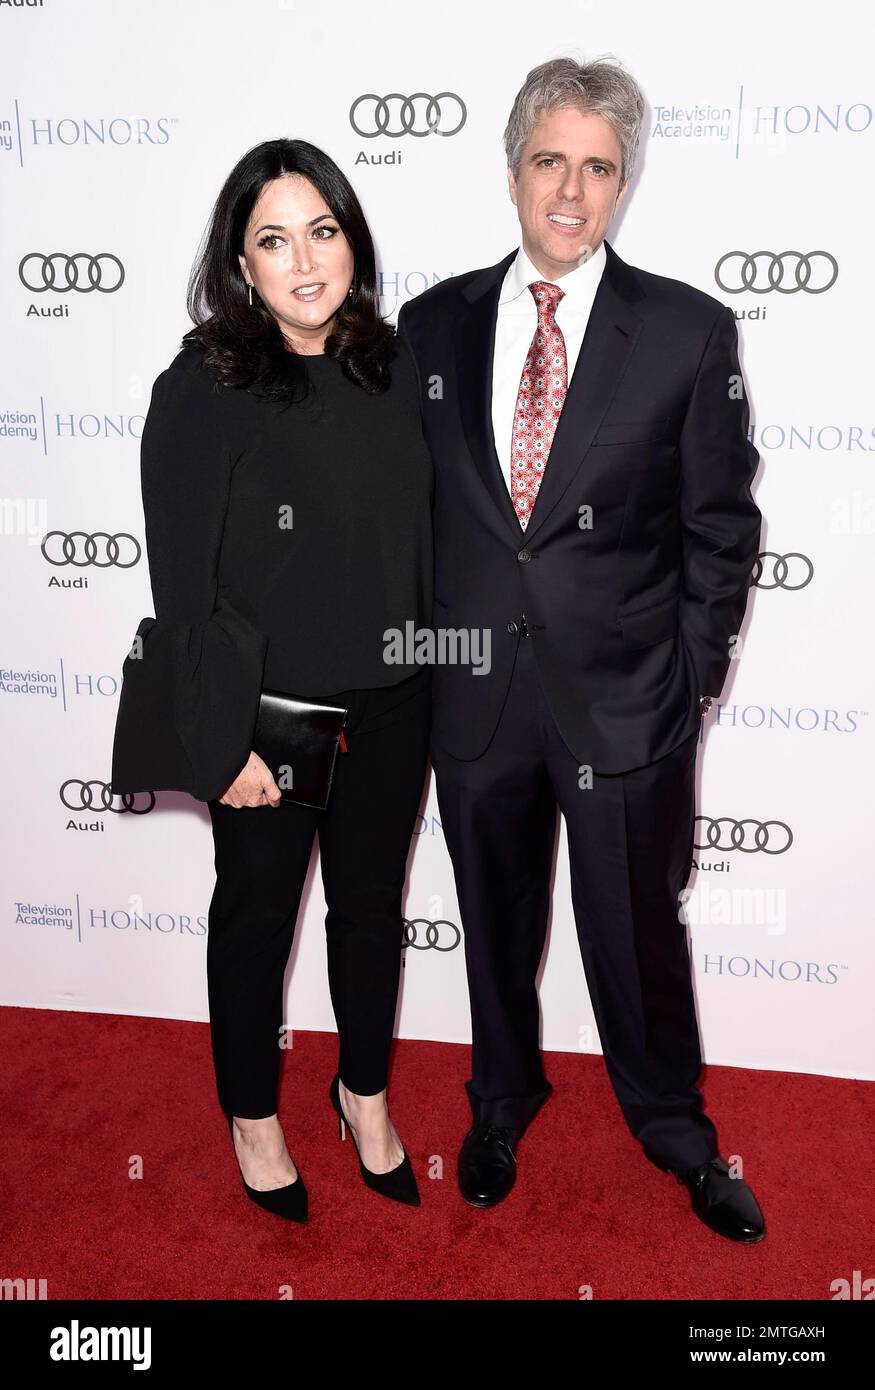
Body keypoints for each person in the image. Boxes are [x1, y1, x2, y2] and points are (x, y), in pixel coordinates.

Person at [397, 57, 766, 1242]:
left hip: (625, 707)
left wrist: (690, 681)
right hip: (476, 704)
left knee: (633, 934)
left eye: (596, 167)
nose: (570, 188)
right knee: (493, 924)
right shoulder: (431, 322)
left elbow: (721, 526)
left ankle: (673, 1127)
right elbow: (407, 514)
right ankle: (498, 1100)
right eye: (549, 160)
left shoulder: (684, 332)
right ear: (512, 170)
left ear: (622, 185)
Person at [111, 138, 433, 1221]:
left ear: (352, 240)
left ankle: (364, 1093)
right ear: (240, 264)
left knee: (372, 913)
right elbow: (181, 583)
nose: (304, 262)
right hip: (271, 719)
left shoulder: (391, 370)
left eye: (323, 231)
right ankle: (253, 1116)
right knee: (255, 920)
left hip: (392, 702)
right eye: (273, 239)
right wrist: (219, 742)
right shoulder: (206, 385)